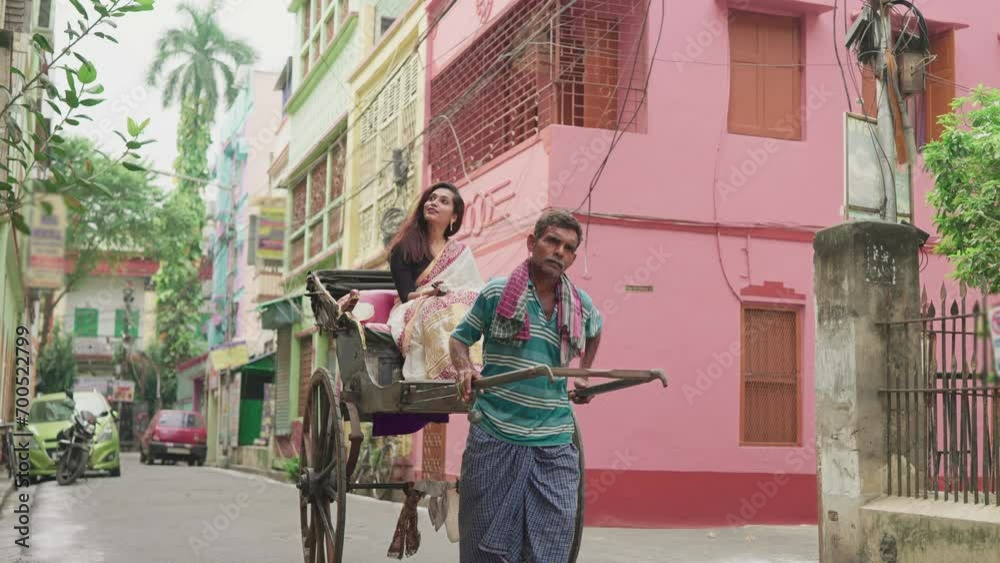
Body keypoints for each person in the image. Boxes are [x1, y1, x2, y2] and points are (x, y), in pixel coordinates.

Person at [449, 209, 603, 563]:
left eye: (568, 247)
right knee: (485, 544)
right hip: (494, 436)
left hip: (555, 442)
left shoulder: (580, 305)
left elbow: (596, 331)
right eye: (552, 241)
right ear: (532, 243)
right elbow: (459, 340)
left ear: (573, 257)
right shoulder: (496, 293)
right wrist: (464, 369)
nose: (559, 251)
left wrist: (583, 374)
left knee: (551, 545)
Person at [386, 182, 484, 381]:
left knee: (474, 305)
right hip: (415, 306)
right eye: (431, 199)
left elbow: (473, 287)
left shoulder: (461, 252)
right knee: (443, 306)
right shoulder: (403, 248)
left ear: (454, 216)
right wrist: (432, 293)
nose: (433, 203)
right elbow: (406, 296)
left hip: (453, 302)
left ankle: (477, 369)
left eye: (443, 201)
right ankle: (448, 373)